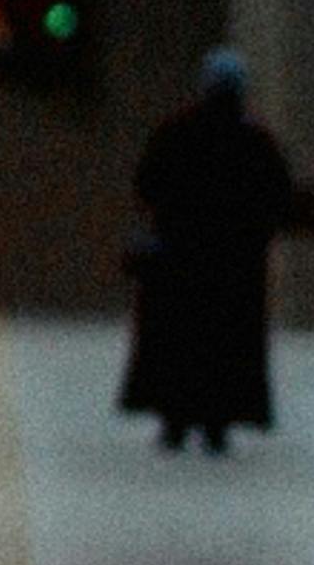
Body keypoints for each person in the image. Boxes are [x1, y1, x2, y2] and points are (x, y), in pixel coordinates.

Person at [120, 45, 294, 453]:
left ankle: (174, 419)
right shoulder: (255, 140)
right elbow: (278, 199)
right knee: (226, 342)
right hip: (236, 266)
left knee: (176, 338)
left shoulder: (176, 133)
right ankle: (217, 422)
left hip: (179, 258)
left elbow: (147, 184)